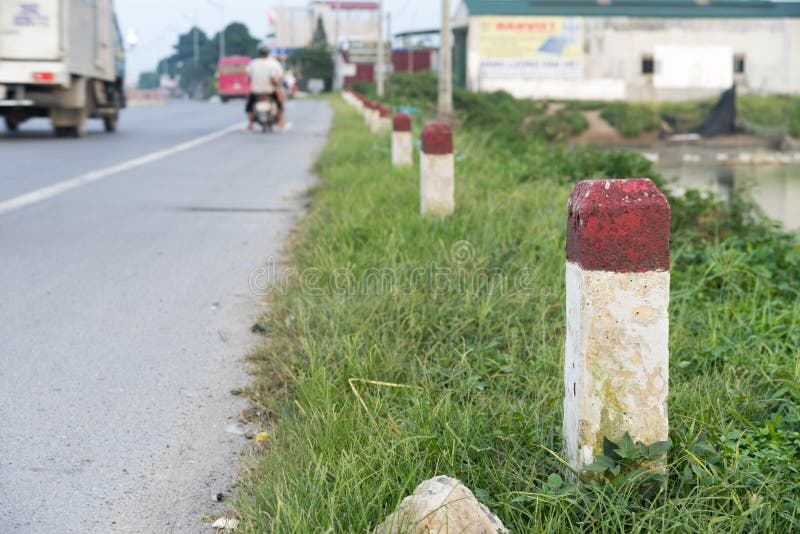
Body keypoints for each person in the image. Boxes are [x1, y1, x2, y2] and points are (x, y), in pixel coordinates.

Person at [246, 46, 291, 132]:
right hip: (270, 91)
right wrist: (277, 84)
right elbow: (276, 78)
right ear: (268, 53)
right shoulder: (274, 64)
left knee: (249, 106)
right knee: (280, 104)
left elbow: (249, 78)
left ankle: (250, 125)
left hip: (255, 92)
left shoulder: (253, 63)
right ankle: (281, 122)